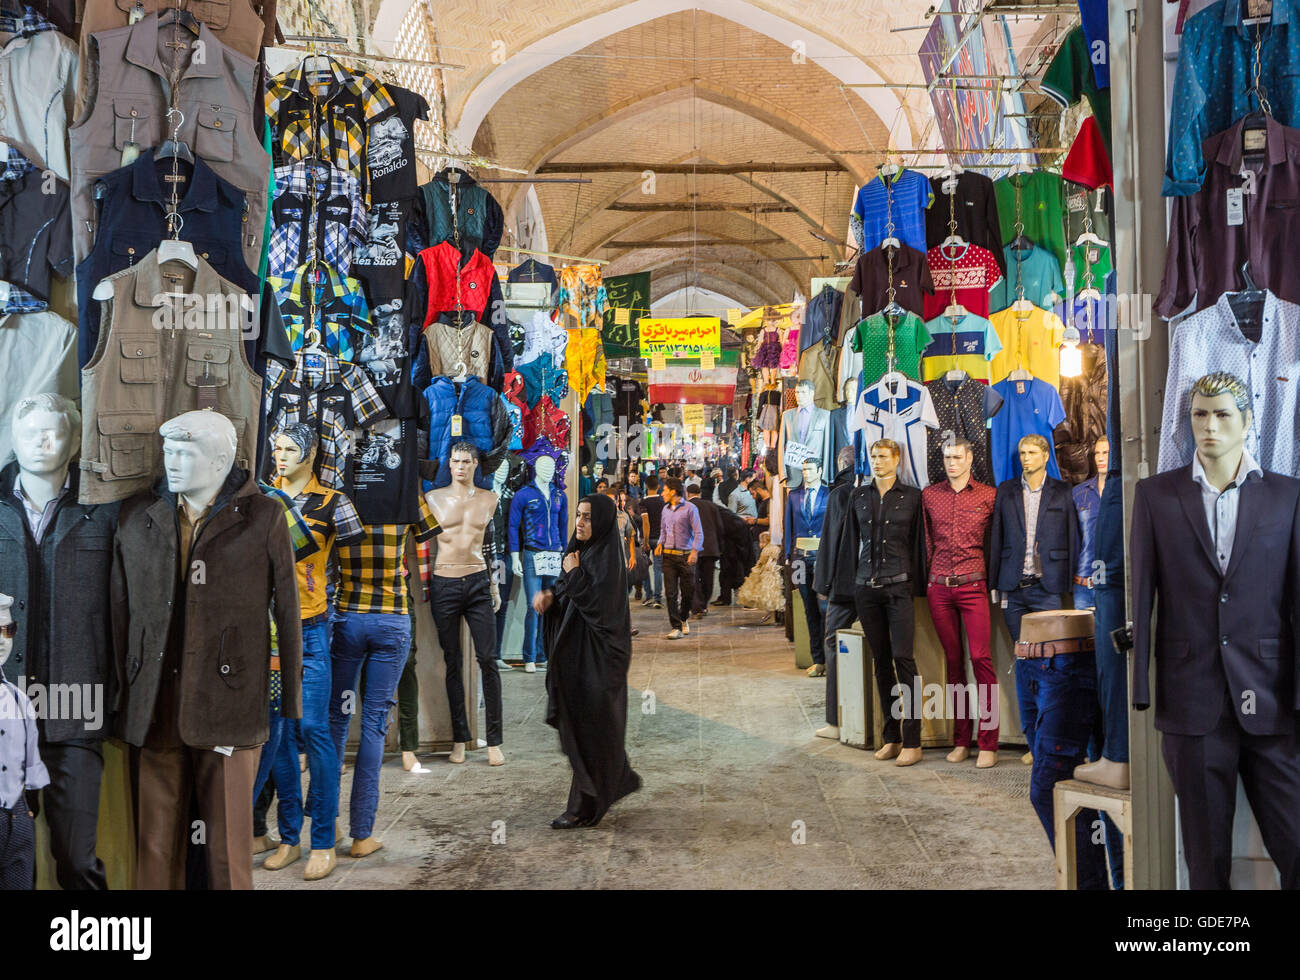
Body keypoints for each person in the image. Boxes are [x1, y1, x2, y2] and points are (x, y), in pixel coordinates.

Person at [533, 496, 642, 828]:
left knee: (592, 729)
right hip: (580, 659)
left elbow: (600, 611)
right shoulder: (580, 555)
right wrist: (552, 596)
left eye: (588, 518)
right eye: (578, 516)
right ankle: (615, 780)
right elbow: (568, 591)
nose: (580, 523)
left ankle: (584, 804)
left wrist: (575, 574)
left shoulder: (607, 561)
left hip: (601, 660)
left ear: (604, 523)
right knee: (585, 728)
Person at [921, 439, 999, 768]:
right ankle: (960, 739)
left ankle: (989, 742)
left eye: (957, 457)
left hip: (973, 585)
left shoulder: (988, 496)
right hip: (939, 588)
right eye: (947, 457)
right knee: (953, 664)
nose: (951, 462)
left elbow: (994, 543)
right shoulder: (930, 496)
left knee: (981, 659)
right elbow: (926, 542)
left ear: (970, 459)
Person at [655, 478, 702, 640]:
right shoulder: (665, 510)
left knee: (688, 592)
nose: (662, 494)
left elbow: (698, 532)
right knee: (670, 593)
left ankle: (683, 617)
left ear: (673, 492)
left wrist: (695, 551)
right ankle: (676, 626)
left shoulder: (691, 508)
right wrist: (660, 543)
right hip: (668, 556)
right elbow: (663, 529)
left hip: (685, 556)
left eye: (665, 490)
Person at [686, 482, 723, 618]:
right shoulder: (711, 506)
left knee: (694, 579)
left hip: (692, 549)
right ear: (699, 493)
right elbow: (719, 527)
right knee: (708, 578)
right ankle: (704, 604)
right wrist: (719, 546)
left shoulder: (686, 507)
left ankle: (697, 607)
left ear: (687, 494)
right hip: (710, 548)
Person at [639, 475, 666, 608]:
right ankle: (657, 598)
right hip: (660, 539)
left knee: (644, 567)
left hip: (648, 538)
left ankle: (648, 595)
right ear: (658, 487)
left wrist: (645, 541)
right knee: (658, 568)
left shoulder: (643, 503)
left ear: (646, 486)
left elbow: (645, 522)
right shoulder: (663, 502)